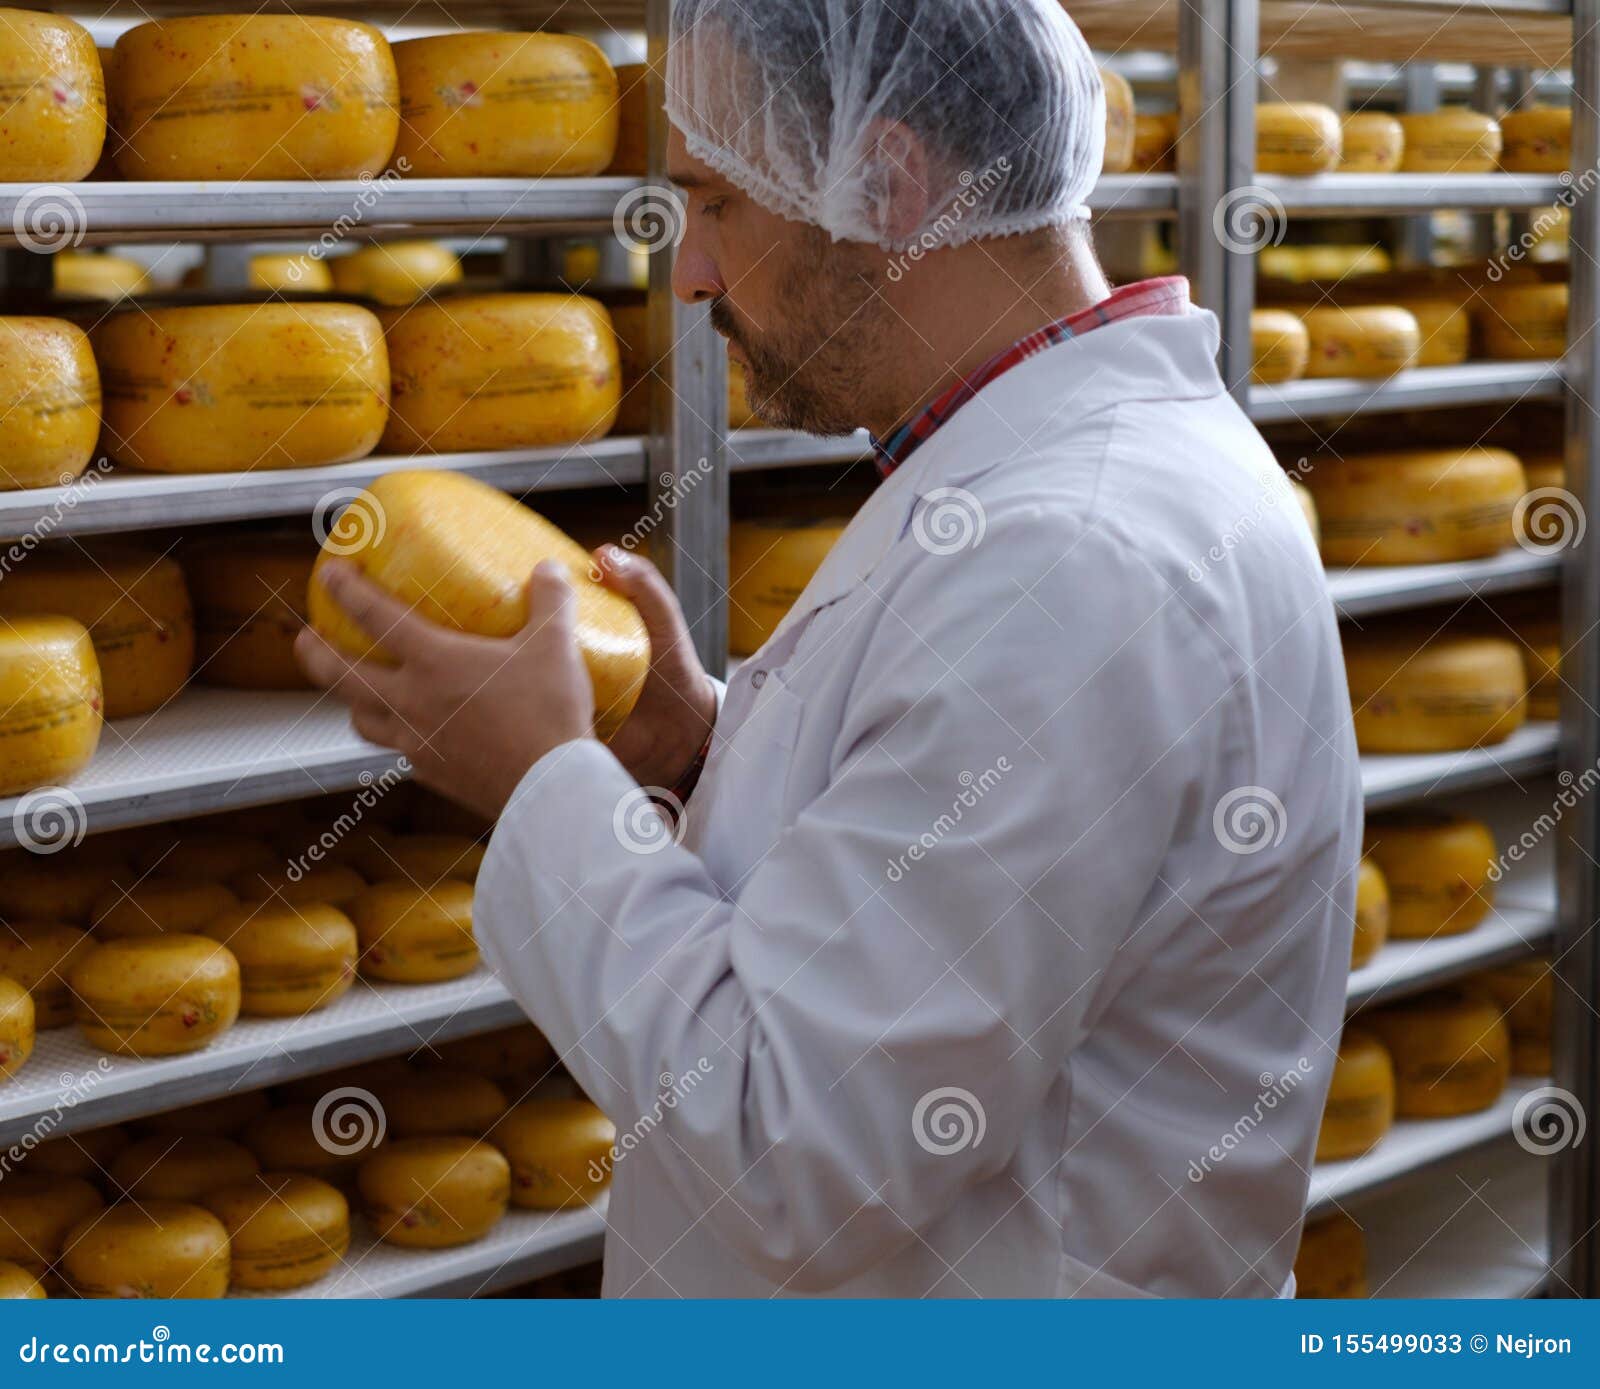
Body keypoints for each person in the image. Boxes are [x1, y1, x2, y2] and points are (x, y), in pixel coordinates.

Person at [299, 0, 1362, 1297]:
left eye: (714, 203)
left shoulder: (1069, 558)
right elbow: (934, 856)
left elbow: (791, 1148)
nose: (687, 273)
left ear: (887, 180)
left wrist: (541, 786)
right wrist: (708, 749)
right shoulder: (1068, 481)